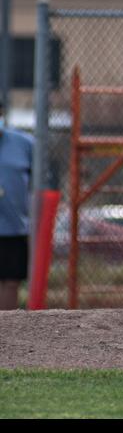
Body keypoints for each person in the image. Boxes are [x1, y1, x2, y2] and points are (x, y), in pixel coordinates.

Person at [0, 100, 33, 311]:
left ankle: (7, 327)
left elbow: (41, 181)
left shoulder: (24, 143)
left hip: (13, 228)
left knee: (11, 280)